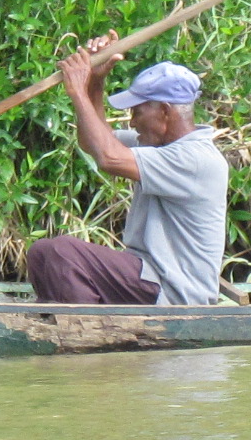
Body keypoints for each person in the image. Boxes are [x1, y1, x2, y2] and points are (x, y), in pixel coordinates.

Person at [26, 33, 228, 305]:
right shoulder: (157, 146)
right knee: (42, 253)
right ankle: (81, 330)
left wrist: (77, 91)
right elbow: (94, 143)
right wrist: (95, 82)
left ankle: (86, 332)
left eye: (138, 112)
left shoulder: (196, 159)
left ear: (165, 112)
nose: (131, 122)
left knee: (59, 252)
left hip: (174, 291)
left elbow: (109, 158)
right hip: (146, 276)